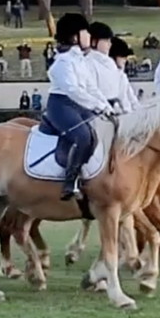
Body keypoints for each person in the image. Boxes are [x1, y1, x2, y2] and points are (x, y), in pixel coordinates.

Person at [45, 13, 113, 201]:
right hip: (61, 105)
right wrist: (98, 106)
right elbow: (73, 90)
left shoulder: (80, 60)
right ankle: (70, 182)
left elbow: (91, 87)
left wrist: (107, 106)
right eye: (85, 32)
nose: (89, 36)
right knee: (83, 136)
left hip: (79, 104)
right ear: (74, 37)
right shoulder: (63, 61)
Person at [85, 22, 121, 111]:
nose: (110, 44)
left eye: (110, 41)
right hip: (99, 109)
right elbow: (91, 91)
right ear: (94, 41)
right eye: (106, 41)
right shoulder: (89, 62)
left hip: (115, 106)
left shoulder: (111, 63)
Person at [110, 37, 141, 113]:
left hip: (131, 114)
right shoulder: (110, 76)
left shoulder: (123, 76)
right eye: (122, 56)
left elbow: (133, 99)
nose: (125, 59)